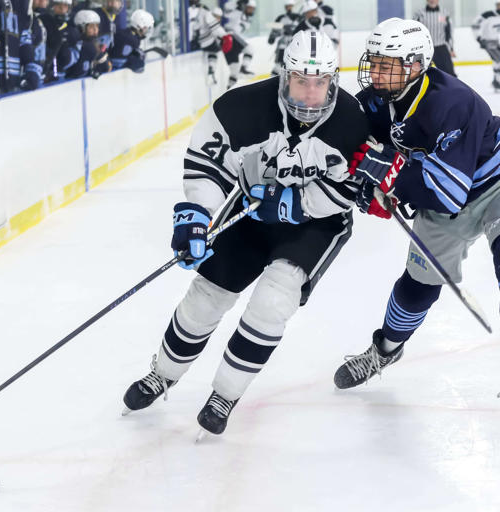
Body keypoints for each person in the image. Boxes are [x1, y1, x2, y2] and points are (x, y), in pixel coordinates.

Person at [122, 31, 369, 436]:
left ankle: (226, 393)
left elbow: (350, 189)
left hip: (317, 224)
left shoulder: (352, 121)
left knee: (273, 301)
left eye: (320, 82)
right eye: (301, 81)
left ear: (332, 81)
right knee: (206, 296)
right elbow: (207, 167)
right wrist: (197, 217)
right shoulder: (240, 108)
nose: (310, 94)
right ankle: (163, 374)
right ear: (284, 76)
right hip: (251, 210)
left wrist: (300, 204)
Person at [334, 18, 500, 424]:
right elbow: (351, 142)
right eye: (373, 62)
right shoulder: (378, 98)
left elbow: (447, 194)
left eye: (386, 65)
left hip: (498, 182)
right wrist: (364, 184)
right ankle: (385, 349)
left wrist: (387, 174)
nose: (374, 73)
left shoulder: (452, 102)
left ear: (415, 65)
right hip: (443, 189)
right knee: (417, 289)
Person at [413, 0, 456, 77]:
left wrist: (451, 49)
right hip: (425, 48)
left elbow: (449, 32)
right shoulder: (419, 14)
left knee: (449, 74)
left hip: (441, 48)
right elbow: (414, 32)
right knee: (420, 74)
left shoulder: (444, 13)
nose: (432, 0)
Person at [39, 0, 79, 81]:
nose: (62, 9)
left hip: (62, 76)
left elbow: (76, 56)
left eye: (65, 6)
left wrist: (66, 59)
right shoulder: (43, 23)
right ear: (52, 6)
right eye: (58, 5)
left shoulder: (72, 30)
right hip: (43, 74)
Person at [66, 9, 112, 79]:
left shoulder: (95, 44)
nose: (95, 30)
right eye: (91, 26)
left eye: (97, 26)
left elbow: (108, 66)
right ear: (81, 28)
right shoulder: (86, 46)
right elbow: (106, 67)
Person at [222, 0, 256, 88]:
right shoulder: (238, 12)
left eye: (252, 9)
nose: (251, 10)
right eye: (249, 8)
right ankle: (243, 69)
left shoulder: (247, 18)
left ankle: (228, 90)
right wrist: (236, 2)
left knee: (234, 70)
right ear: (245, 6)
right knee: (249, 49)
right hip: (230, 36)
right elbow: (226, 12)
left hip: (233, 41)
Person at [194, 5, 232, 86]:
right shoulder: (210, 19)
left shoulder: (205, 17)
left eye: (219, 17)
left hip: (205, 43)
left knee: (214, 51)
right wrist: (226, 36)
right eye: (216, 16)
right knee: (216, 49)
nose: (217, 19)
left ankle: (211, 68)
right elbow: (217, 30)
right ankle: (211, 67)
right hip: (205, 42)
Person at [19, 0, 48, 90]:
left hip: (37, 77)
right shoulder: (27, 19)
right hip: (22, 78)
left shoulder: (37, 21)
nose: (42, 2)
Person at [267, 1, 300, 76]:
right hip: (283, 44)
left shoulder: (300, 18)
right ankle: (273, 79)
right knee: (279, 64)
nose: (289, 8)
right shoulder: (281, 18)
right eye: (288, 6)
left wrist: (293, 30)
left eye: (291, 6)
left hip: (295, 45)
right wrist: (272, 37)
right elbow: (275, 30)